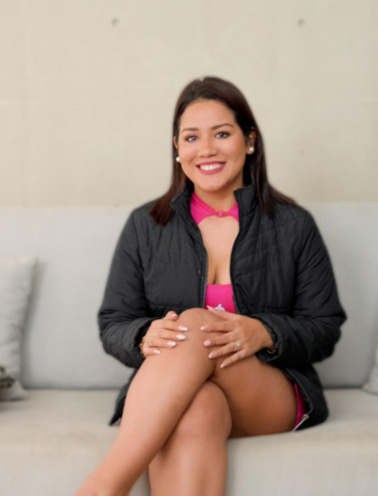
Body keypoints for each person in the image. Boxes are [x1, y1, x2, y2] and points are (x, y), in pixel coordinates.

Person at [75, 76, 346, 496]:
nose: (206, 149)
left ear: (249, 140)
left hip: (266, 389)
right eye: (191, 137)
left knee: (196, 323)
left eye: (221, 133)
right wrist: (143, 335)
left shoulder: (294, 226)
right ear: (177, 148)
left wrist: (265, 332)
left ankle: (103, 487)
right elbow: (114, 322)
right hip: (175, 392)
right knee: (198, 407)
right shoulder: (145, 226)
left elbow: (324, 328)